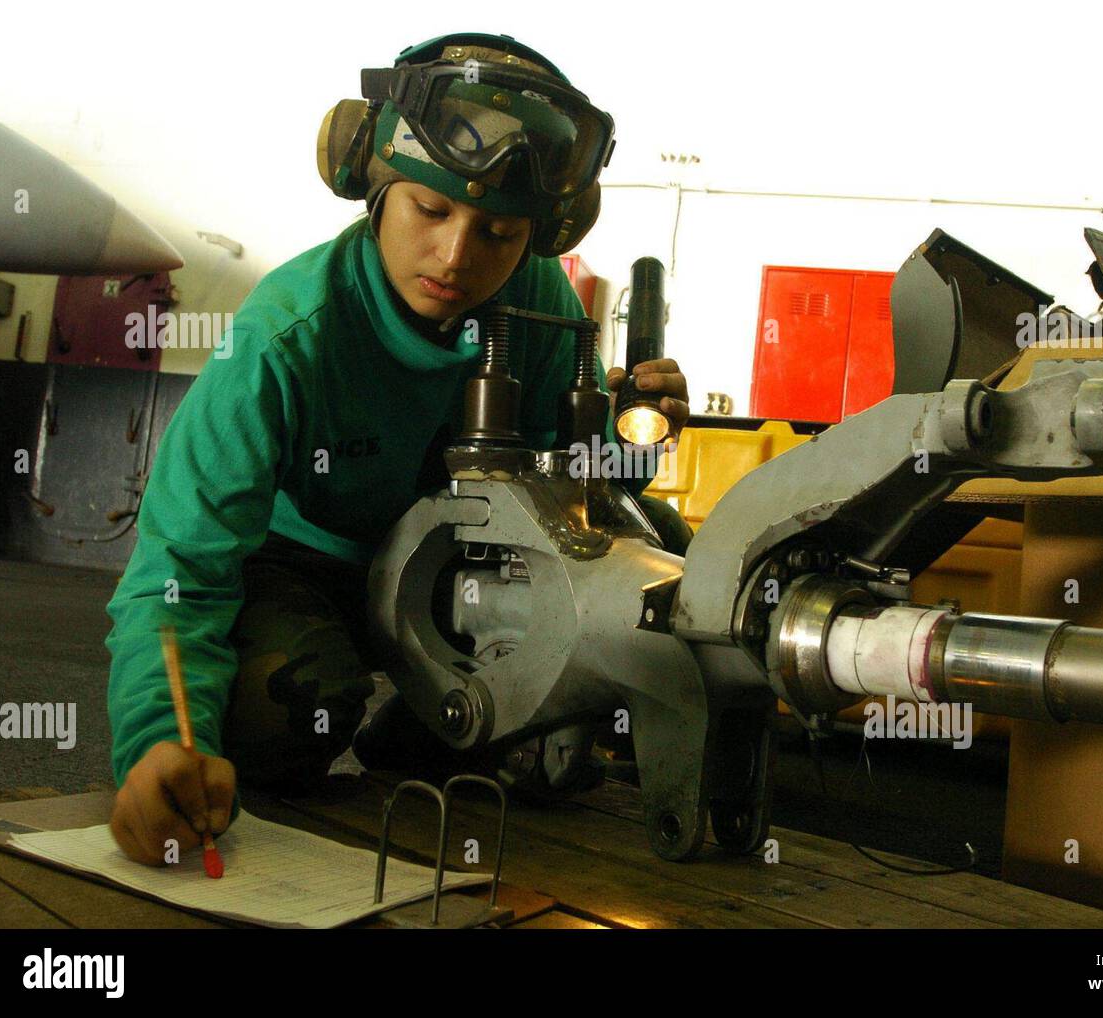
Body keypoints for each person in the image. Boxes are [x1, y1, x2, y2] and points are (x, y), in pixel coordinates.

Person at [105, 32, 693, 866]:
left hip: (458, 572)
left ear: (536, 234)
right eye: (432, 210)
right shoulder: (285, 334)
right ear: (372, 188)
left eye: (496, 231)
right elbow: (177, 566)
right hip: (308, 570)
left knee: (666, 555)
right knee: (281, 709)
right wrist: (160, 744)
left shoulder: (542, 300)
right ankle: (405, 722)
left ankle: (426, 736)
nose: (456, 258)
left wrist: (634, 442)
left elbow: (587, 492)